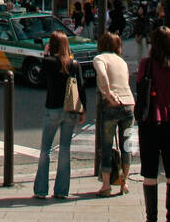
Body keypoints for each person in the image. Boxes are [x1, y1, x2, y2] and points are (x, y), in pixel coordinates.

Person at [136, 27, 170, 222]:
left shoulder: (146, 64)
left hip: (151, 120)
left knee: (150, 170)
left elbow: (140, 84)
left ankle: (151, 220)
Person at [32, 30, 86, 200]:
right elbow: (81, 88)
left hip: (52, 108)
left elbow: (39, 78)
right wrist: (83, 110)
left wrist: (45, 54)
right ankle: (62, 190)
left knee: (45, 149)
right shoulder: (74, 64)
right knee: (64, 149)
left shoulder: (49, 62)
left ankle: (41, 189)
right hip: (70, 109)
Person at [93, 31, 135, 197]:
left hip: (111, 105)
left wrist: (108, 94)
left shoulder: (100, 58)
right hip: (128, 104)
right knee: (126, 146)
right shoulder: (122, 61)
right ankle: (125, 182)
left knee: (106, 146)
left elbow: (102, 74)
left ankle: (106, 185)